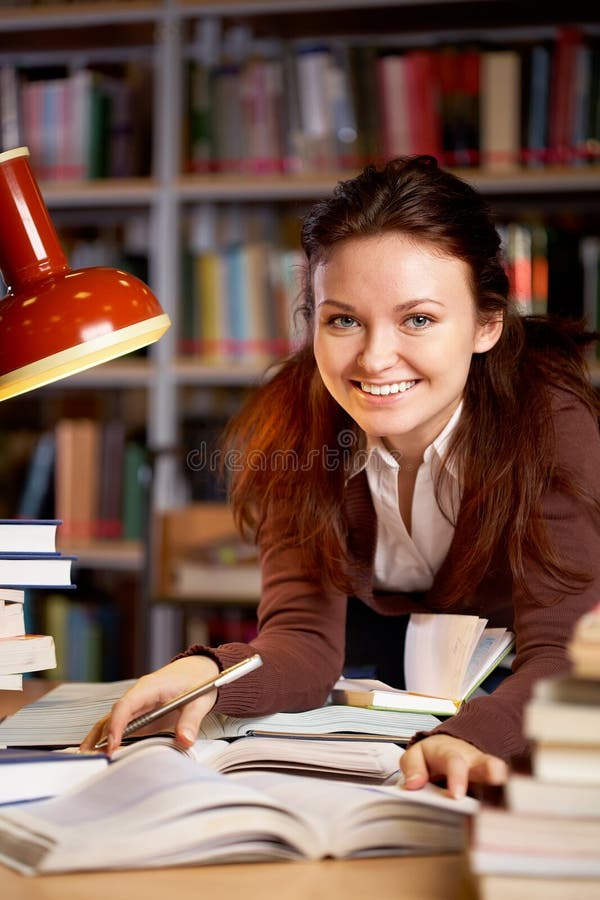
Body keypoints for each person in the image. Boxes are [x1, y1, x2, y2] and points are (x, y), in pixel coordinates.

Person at [82, 155, 600, 799]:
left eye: (418, 319)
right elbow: (303, 642)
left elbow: (562, 653)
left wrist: (474, 735)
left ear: (486, 323)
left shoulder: (548, 420)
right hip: (376, 710)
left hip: (522, 704)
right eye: (344, 320)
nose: (375, 359)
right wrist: (210, 675)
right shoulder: (296, 420)